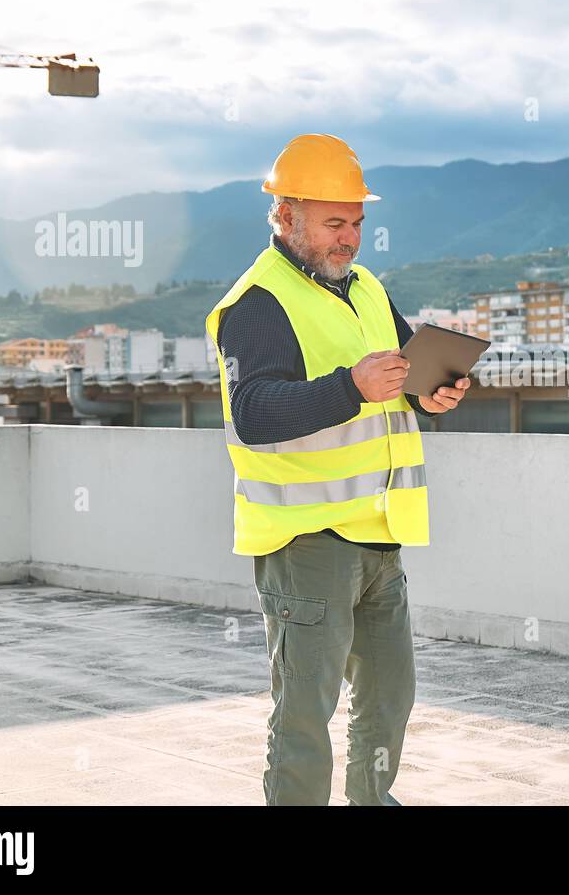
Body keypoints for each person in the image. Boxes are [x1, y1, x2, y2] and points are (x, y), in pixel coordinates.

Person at [204, 133, 470, 805]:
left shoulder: (366, 287)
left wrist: (432, 393)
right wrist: (350, 386)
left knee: (389, 701)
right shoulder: (257, 303)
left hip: (380, 536)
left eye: (356, 223)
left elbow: (404, 376)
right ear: (286, 216)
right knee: (304, 716)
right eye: (333, 223)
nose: (348, 238)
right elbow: (255, 413)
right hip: (308, 545)